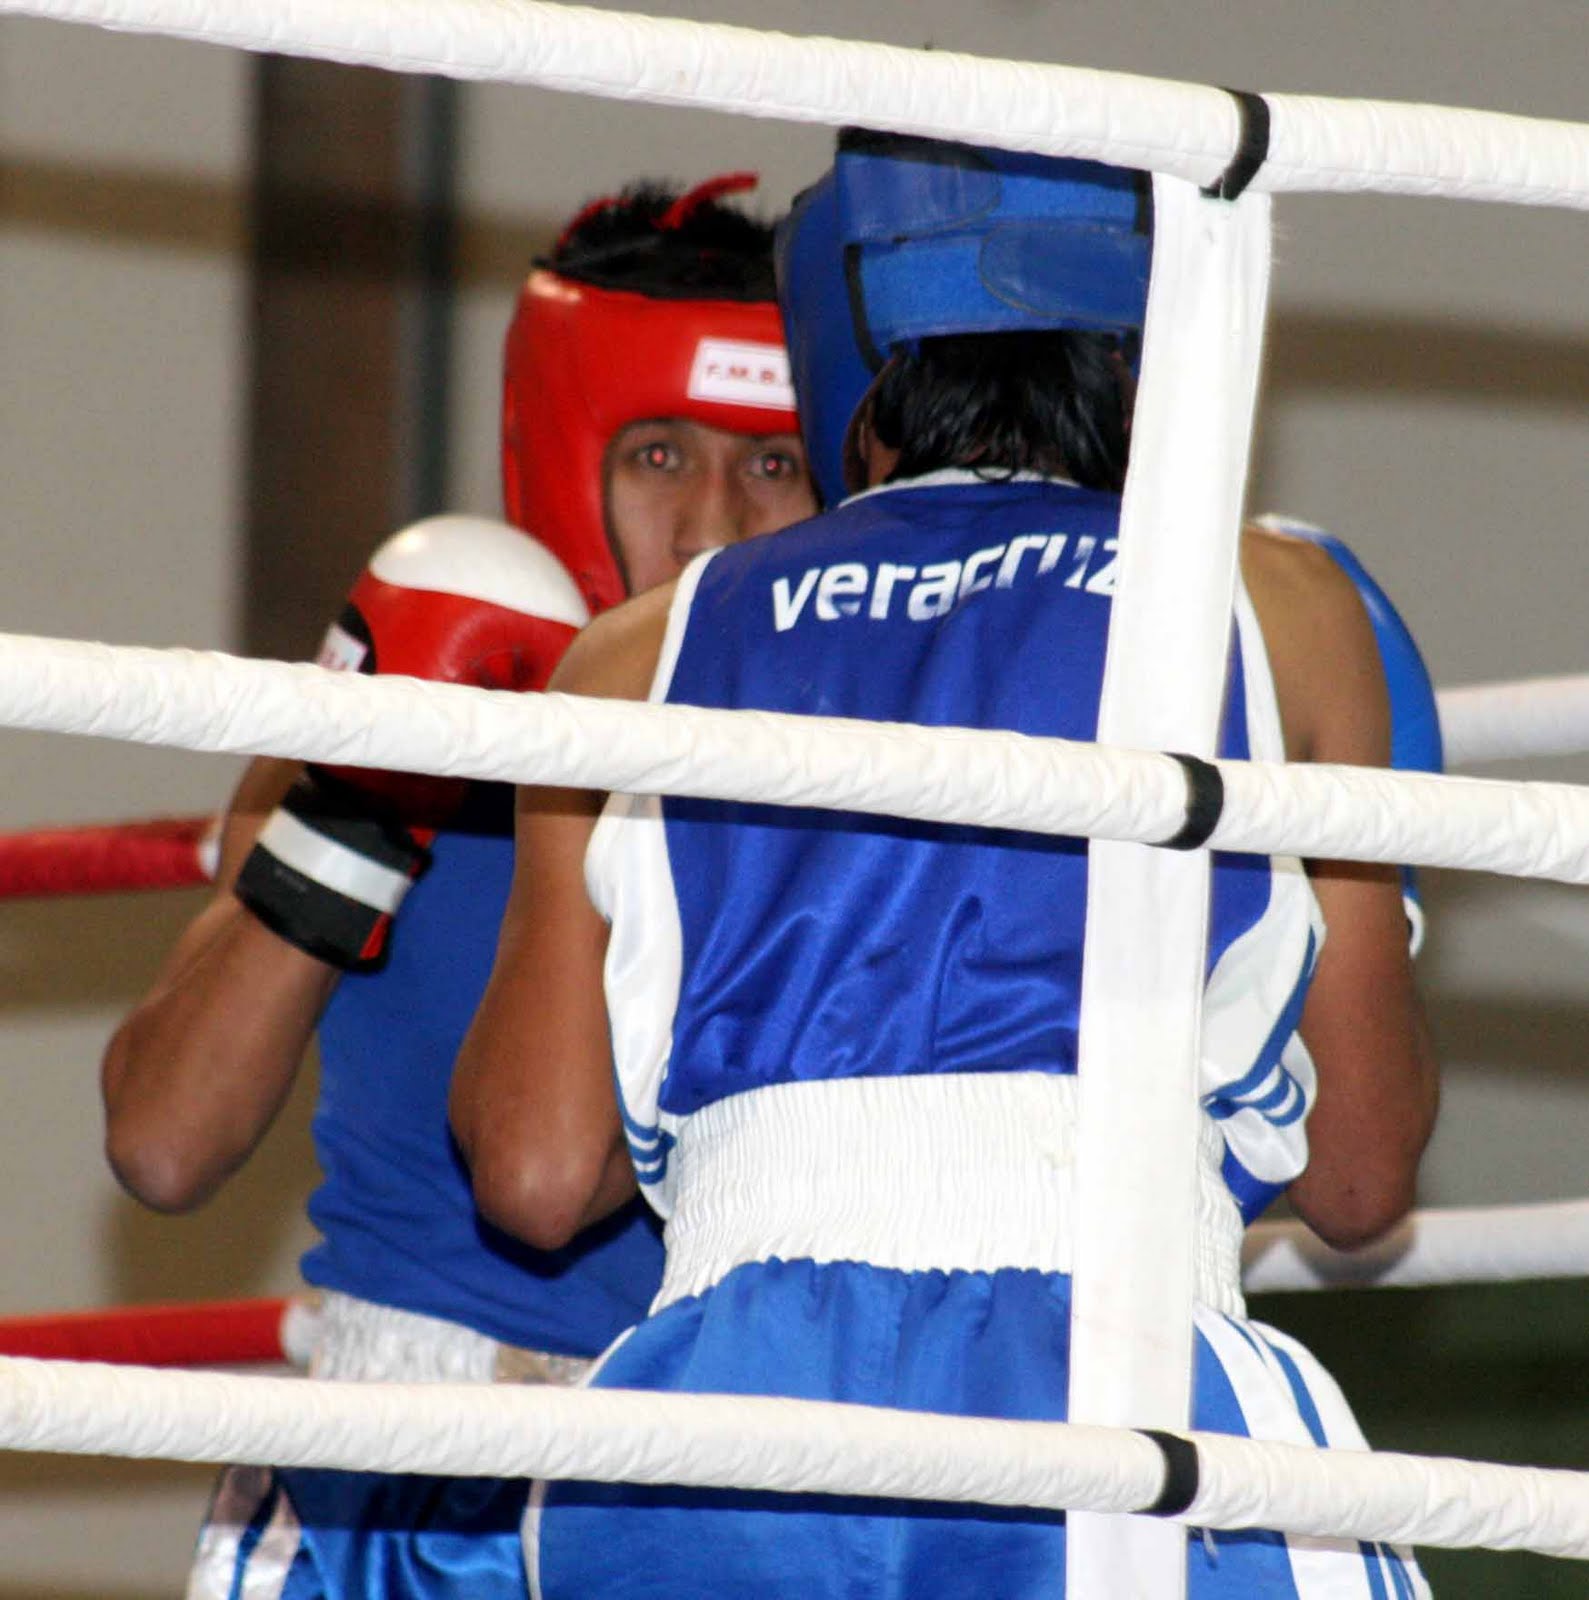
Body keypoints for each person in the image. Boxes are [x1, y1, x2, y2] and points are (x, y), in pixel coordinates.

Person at [452, 131, 1439, 1598]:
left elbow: (535, 1176)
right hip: (1113, 1376)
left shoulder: (623, 659)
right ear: (1145, 360)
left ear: (852, 373)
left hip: (713, 1418)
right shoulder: (1271, 605)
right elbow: (1357, 1175)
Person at [99, 175, 815, 1599]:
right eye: (660, 457)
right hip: (401, 1457)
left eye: (773, 463)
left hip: (725, 1469)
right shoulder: (410, 686)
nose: (713, 523)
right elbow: (163, 1145)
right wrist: (365, 800)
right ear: (563, 448)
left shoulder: (886, 749)